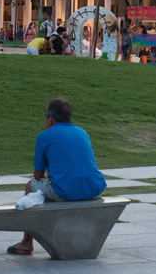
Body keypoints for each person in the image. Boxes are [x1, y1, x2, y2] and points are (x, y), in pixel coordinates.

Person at [7, 98, 107, 257]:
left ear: (50, 119)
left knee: (30, 186)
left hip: (65, 191)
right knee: (60, 185)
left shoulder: (45, 136)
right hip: (95, 188)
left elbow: (38, 175)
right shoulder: (82, 132)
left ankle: (26, 243)